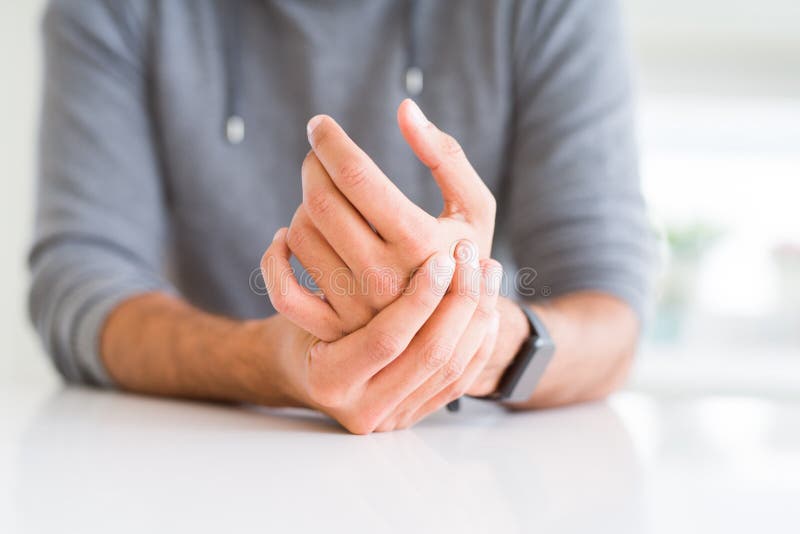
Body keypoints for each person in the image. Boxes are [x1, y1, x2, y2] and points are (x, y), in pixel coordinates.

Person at [29, 0, 655, 434]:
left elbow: (611, 315)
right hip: (220, 453)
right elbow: (80, 280)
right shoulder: (112, 10)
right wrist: (272, 362)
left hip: (467, 467)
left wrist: (473, 344)